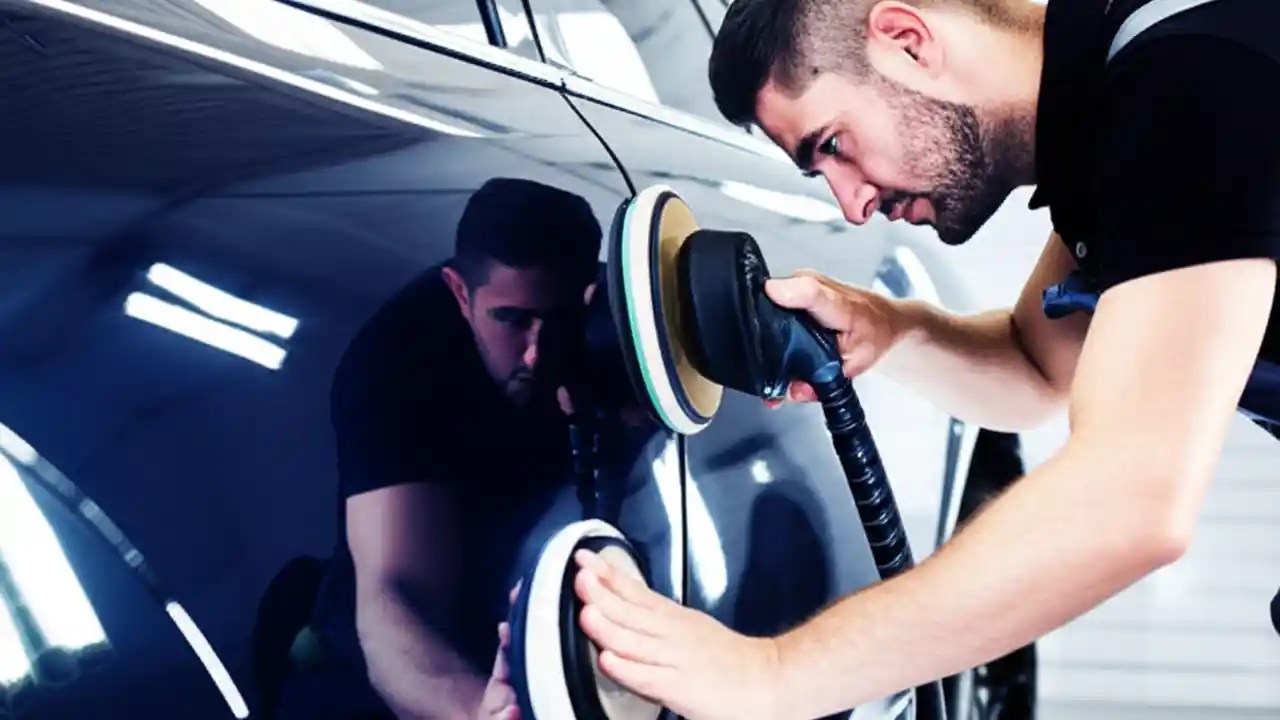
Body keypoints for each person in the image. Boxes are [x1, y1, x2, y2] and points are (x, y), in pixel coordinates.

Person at [569, 1, 1280, 718]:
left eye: (833, 145)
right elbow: (1039, 371)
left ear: (907, 41)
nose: (851, 205)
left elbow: (1131, 498)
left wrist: (773, 674)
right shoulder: (1118, 114)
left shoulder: (1186, 87)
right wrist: (896, 330)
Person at [279, 177, 604, 720]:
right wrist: (481, 712)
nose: (535, 355)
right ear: (459, 292)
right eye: (512, 320)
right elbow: (395, 597)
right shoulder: (398, 362)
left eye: (559, 320)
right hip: (386, 684)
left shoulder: (611, 327)